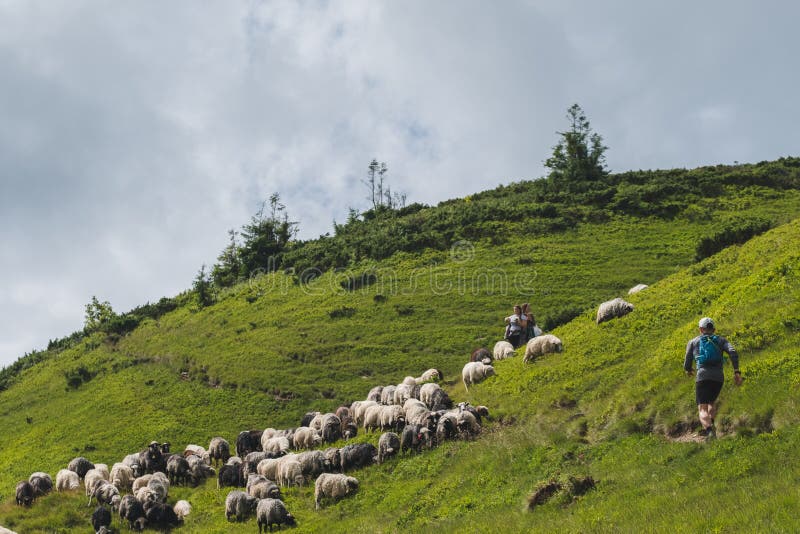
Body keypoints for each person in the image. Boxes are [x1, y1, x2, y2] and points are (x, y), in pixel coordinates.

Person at [684, 317, 742, 441]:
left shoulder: (693, 342)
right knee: (711, 402)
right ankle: (712, 426)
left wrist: (688, 370)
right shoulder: (721, 340)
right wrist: (736, 371)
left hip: (703, 376)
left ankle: (709, 432)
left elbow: (687, 362)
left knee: (702, 408)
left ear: (700, 329)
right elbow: (733, 352)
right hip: (718, 377)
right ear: (714, 329)